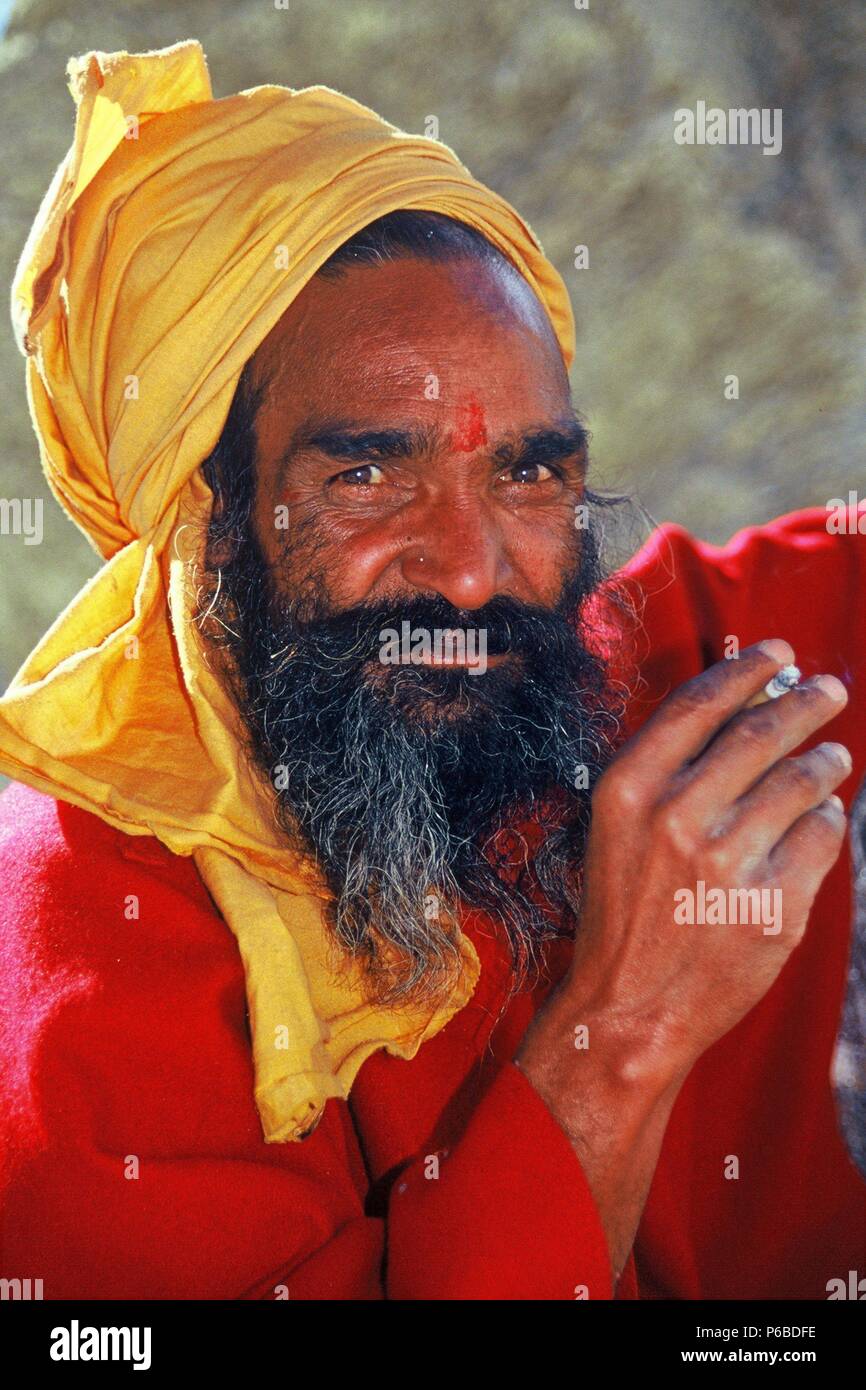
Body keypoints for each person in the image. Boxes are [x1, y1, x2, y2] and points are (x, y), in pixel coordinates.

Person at [0, 40, 863, 1301]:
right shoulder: (83, 973)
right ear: (208, 514)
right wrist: (624, 1028)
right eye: (367, 473)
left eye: (527, 471)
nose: (467, 571)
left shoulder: (564, 688)